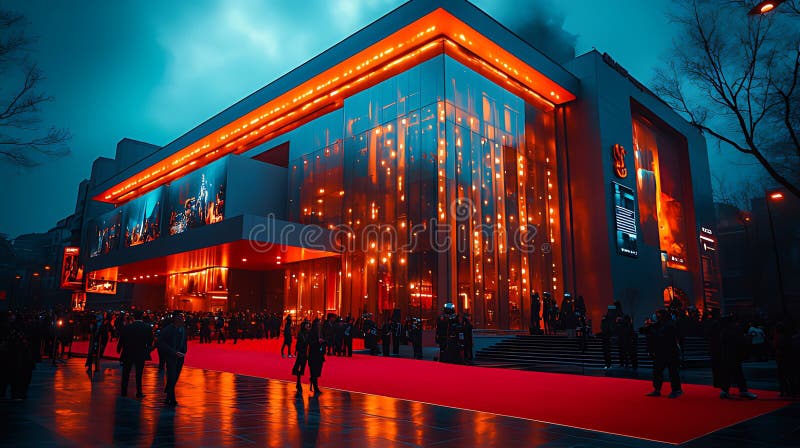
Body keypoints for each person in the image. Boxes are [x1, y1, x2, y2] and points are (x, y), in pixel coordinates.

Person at [717, 314, 757, 400]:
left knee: (728, 373)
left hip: (727, 355)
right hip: (734, 355)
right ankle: (742, 391)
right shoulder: (734, 331)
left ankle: (725, 391)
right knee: (738, 373)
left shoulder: (724, 331)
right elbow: (740, 342)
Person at [645, 309, 683, 399]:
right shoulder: (659, 324)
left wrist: (652, 331)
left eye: (658, 315)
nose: (656, 317)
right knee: (657, 371)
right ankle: (657, 389)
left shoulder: (670, 325)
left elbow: (663, 336)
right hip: (660, 351)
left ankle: (676, 390)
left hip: (670, 351)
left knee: (673, 372)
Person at [117, 310, 153, 398]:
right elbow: (150, 341)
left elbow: (122, 339)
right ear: (142, 317)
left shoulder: (128, 327)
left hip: (128, 352)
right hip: (140, 353)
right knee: (139, 373)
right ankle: (139, 392)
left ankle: (124, 391)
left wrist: (119, 348)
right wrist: (147, 350)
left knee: (126, 372)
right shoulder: (147, 327)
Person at [159, 313, 188, 406]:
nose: (183, 320)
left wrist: (184, 352)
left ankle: (168, 394)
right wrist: (174, 352)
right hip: (171, 356)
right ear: (175, 319)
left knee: (175, 377)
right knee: (171, 376)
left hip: (180, 356)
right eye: (181, 318)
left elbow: (184, 341)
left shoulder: (182, 329)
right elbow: (161, 343)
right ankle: (172, 398)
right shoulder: (168, 329)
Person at [292, 319, 311, 392]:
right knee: (300, 367)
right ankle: (298, 381)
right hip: (301, 352)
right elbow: (300, 343)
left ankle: (298, 381)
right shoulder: (301, 334)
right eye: (307, 325)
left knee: (302, 367)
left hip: (305, 352)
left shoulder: (307, 333)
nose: (308, 326)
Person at [308, 318, 325, 395]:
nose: (319, 325)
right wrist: (318, 342)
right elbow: (310, 343)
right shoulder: (311, 333)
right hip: (313, 355)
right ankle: (315, 387)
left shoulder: (321, 332)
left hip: (319, 354)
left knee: (317, 371)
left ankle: (314, 383)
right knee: (314, 372)